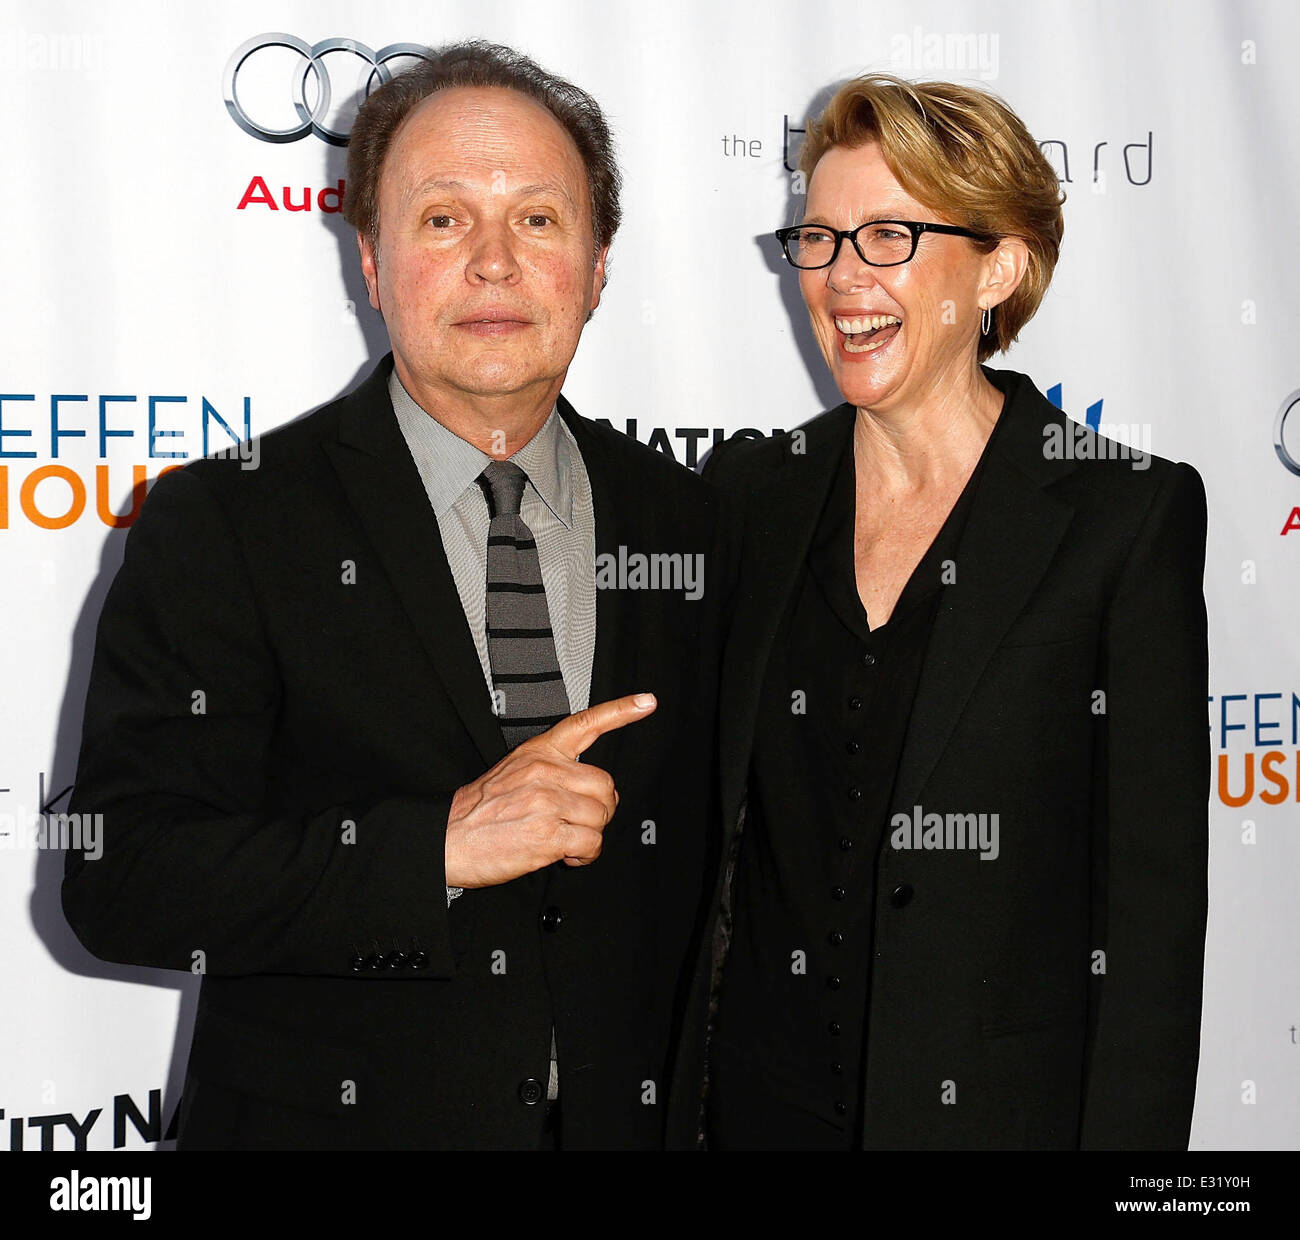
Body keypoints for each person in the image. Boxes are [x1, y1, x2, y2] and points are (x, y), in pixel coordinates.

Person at [62, 40, 730, 1151]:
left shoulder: (696, 527)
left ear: (599, 266)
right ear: (369, 264)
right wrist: (435, 848)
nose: (492, 263)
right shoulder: (228, 524)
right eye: (441, 219)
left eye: (538, 219)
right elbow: (122, 874)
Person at [671, 73, 1208, 1150]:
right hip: (752, 1114)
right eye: (817, 240)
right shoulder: (749, 498)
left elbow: (1148, 931)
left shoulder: (1120, 518)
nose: (838, 279)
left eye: (886, 237)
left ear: (1000, 264)